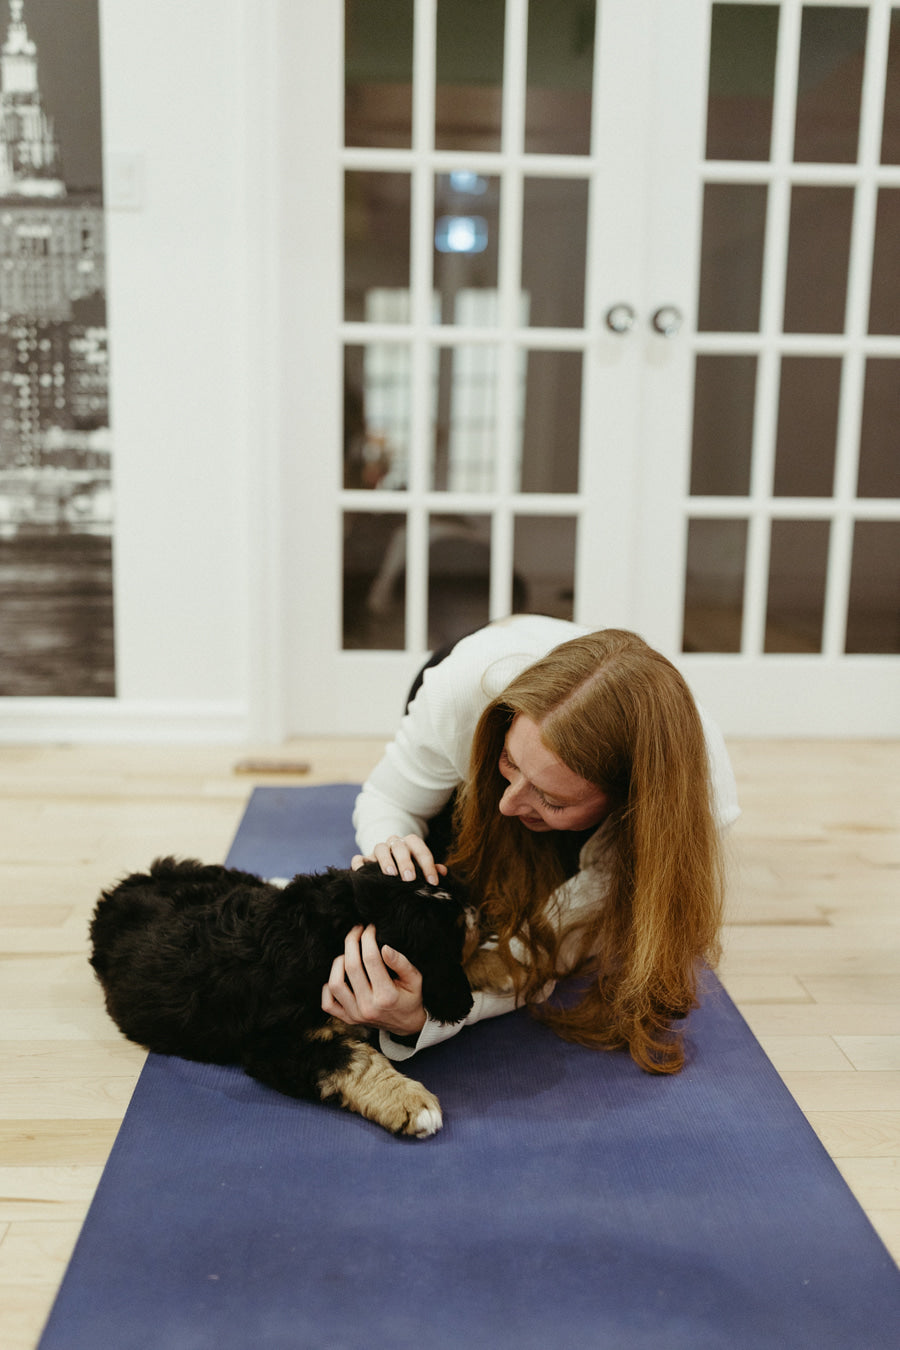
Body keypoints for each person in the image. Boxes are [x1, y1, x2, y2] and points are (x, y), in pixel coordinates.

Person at [321, 615, 740, 1075]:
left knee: (531, 912)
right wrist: (394, 843)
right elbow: (387, 798)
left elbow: (530, 960)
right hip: (477, 676)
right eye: (509, 761)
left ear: (625, 807)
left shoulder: (690, 806)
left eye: (551, 799)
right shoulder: (461, 692)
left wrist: (426, 1019)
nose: (506, 804)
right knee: (453, 870)